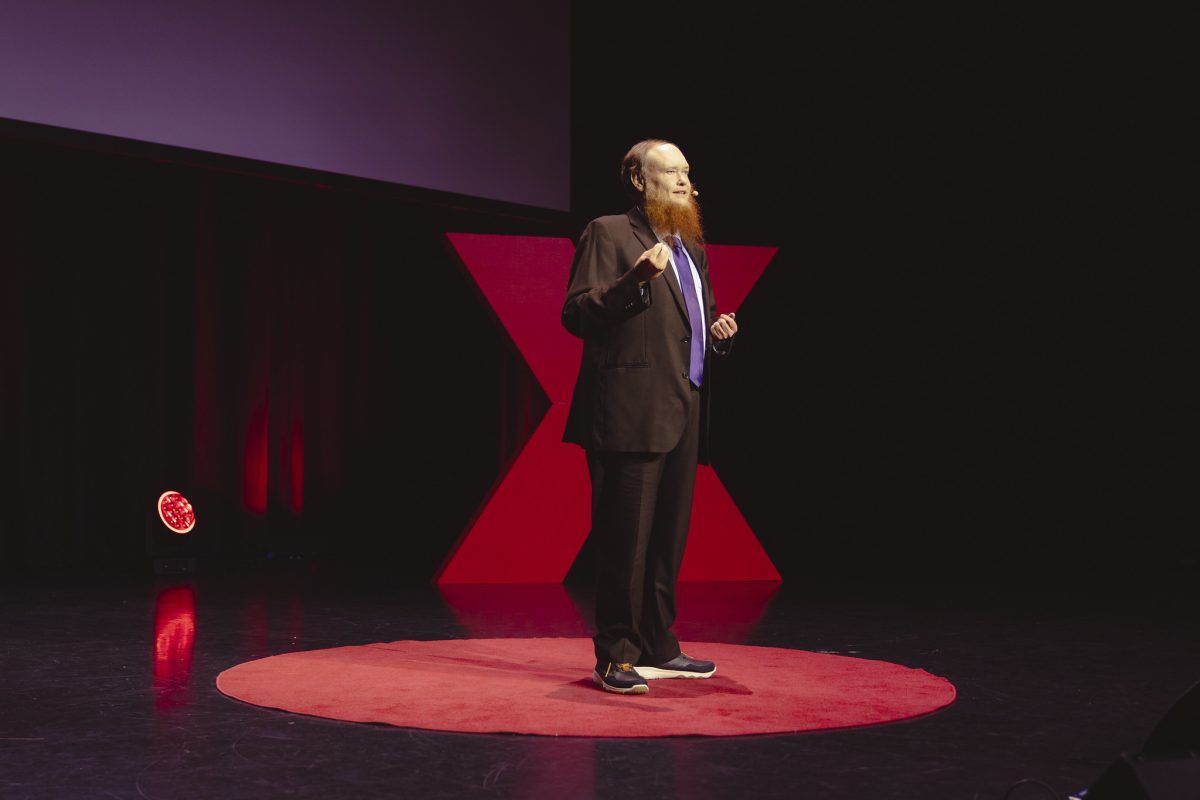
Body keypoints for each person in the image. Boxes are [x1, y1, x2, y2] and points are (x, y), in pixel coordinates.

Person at [561, 139, 738, 694]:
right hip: (629, 411)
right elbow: (576, 313)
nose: (685, 181)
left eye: (688, 171)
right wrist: (633, 282)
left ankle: (659, 646)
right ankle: (615, 655)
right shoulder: (609, 232)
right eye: (671, 171)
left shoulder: (691, 249)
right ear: (639, 180)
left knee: (667, 541)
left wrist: (719, 335)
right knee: (625, 541)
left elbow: (693, 325)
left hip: (684, 407)